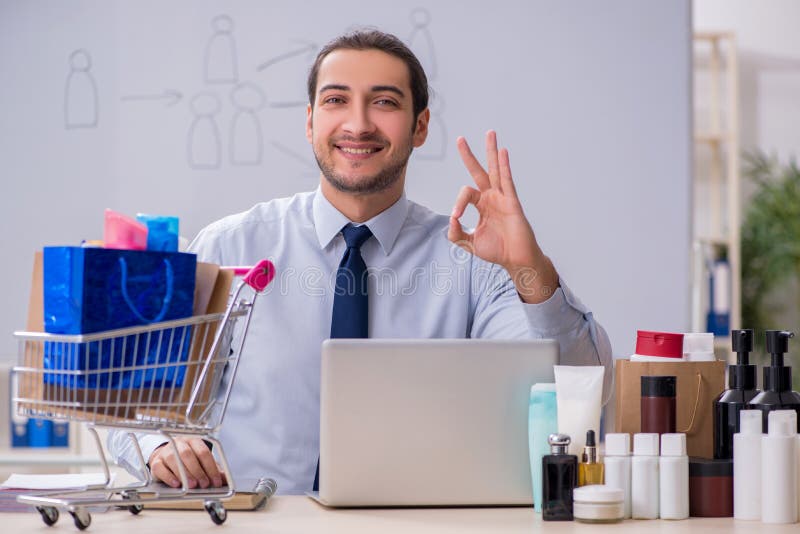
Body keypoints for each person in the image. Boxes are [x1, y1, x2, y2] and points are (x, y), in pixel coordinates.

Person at [108, 30, 612, 495]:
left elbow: (580, 389)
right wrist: (158, 448)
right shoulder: (229, 248)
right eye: (335, 100)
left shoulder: (474, 261)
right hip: (256, 523)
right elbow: (120, 399)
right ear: (310, 123)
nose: (358, 123)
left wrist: (530, 269)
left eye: (384, 102)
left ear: (419, 127)